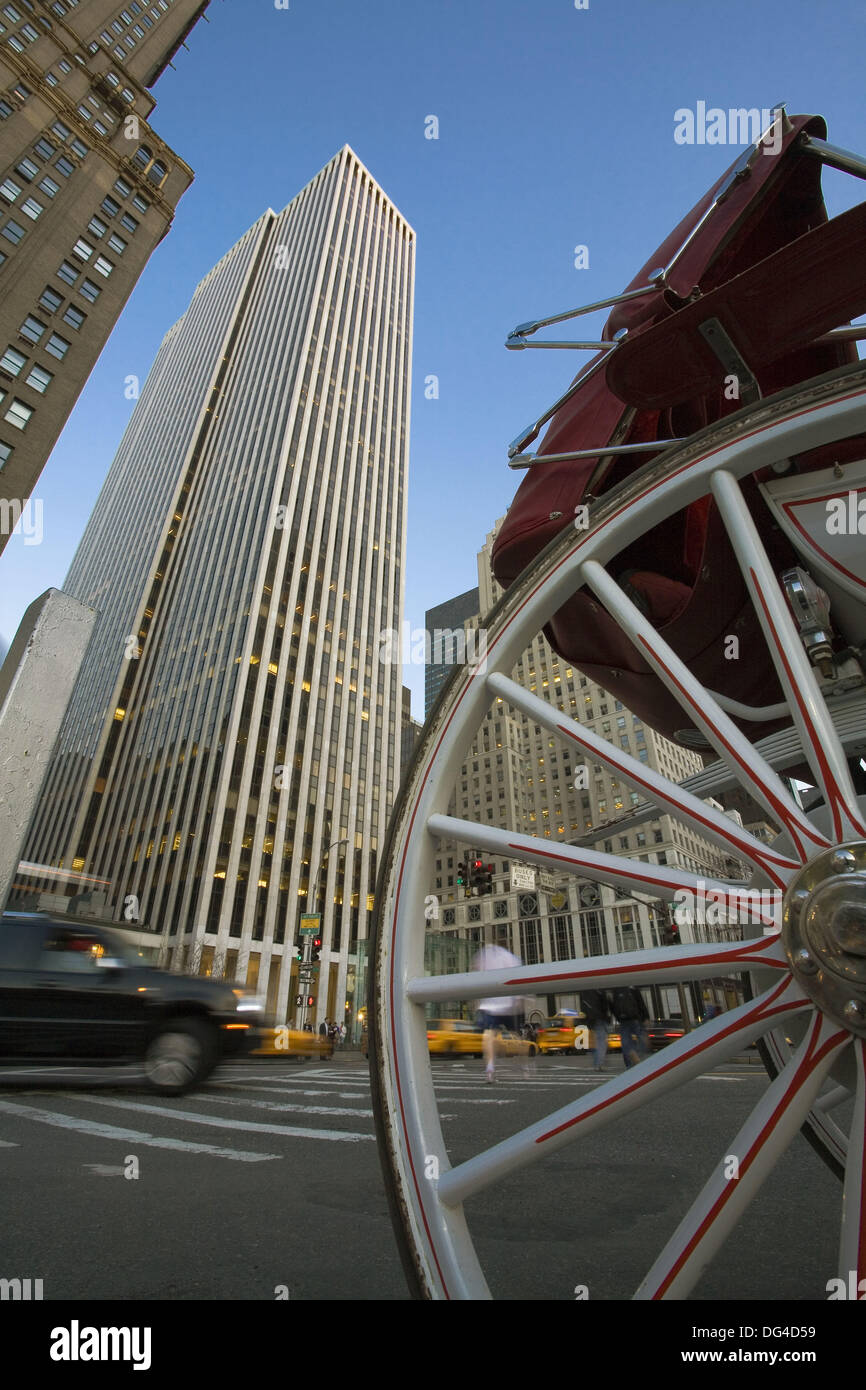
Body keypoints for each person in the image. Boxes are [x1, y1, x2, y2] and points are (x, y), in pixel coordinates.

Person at [472, 943, 524, 1083]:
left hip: (489, 1004)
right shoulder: (510, 957)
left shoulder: (483, 954)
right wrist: (519, 1000)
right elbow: (517, 977)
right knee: (515, 1034)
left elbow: (476, 974)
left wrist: (476, 1001)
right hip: (507, 1004)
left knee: (489, 1035)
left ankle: (490, 1068)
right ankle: (522, 1064)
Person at [611, 986, 649, 1068]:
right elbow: (641, 1003)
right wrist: (645, 1017)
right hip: (635, 1018)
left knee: (626, 1043)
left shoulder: (616, 989)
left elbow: (613, 1006)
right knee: (641, 1039)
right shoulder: (633, 988)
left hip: (624, 1020)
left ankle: (629, 1062)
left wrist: (618, 1018)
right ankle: (636, 1058)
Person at [581, 989, 612, 1071]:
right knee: (601, 1042)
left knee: (596, 1042)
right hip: (600, 1018)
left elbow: (583, 1007)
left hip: (591, 1020)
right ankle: (599, 1064)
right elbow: (605, 1005)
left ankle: (597, 1063)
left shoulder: (584, 992)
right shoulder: (599, 990)